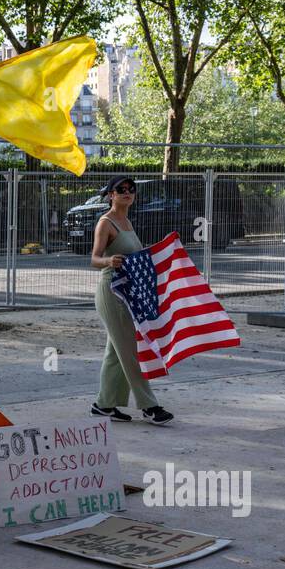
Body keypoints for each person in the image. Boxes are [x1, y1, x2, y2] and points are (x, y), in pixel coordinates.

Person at [89, 176, 174, 426]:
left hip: (128, 293)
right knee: (130, 351)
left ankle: (103, 405)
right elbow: (94, 259)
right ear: (110, 195)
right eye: (121, 190)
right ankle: (149, 406)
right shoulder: (105, 223)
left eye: (131, 190)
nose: (127, 193)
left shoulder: (126, 221)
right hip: (112, 292)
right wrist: (108, 261)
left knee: (116, 352)